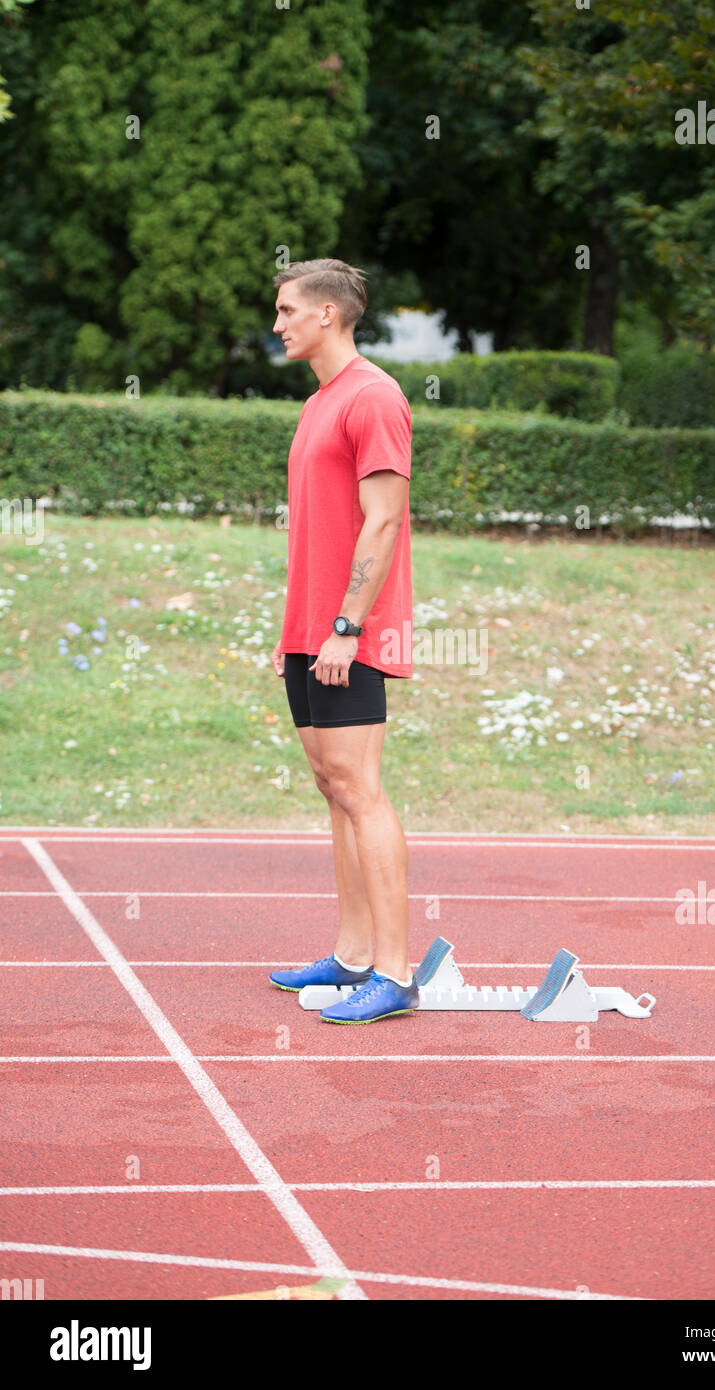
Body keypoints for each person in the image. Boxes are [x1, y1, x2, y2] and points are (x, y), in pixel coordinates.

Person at [266, 258, 418, 1023]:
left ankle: (393, 973)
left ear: (328, 314)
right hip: (311, 633)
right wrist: (295, 631)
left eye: (289, 310)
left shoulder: (375, 397)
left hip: (348, 634)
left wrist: (345, 628)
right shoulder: (320, 403)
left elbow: (382, 521)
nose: (278, 323)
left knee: (361, 791)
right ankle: (354, 954)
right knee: (333, 790)